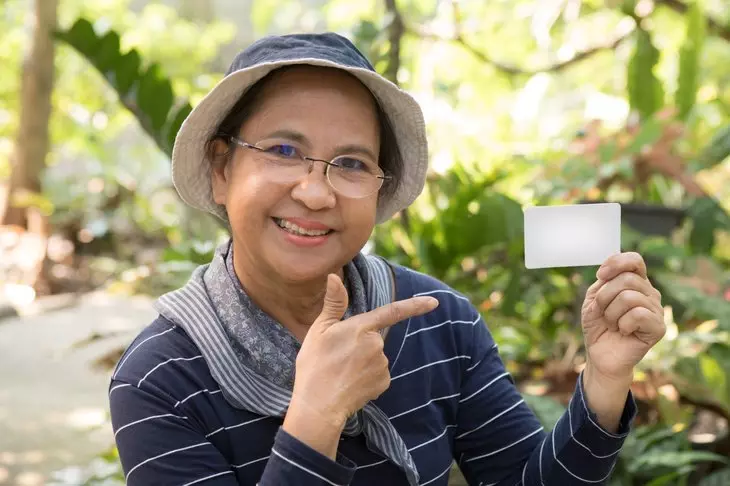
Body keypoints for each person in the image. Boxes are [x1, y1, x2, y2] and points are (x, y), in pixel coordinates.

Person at [108, 33, 666, 486]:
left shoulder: (438, 320)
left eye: (350, 163)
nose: (316, 193)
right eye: (283, 151)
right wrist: (316, 419)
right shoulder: (158, 379)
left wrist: (605, 377)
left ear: (378, 189)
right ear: (222, 168)